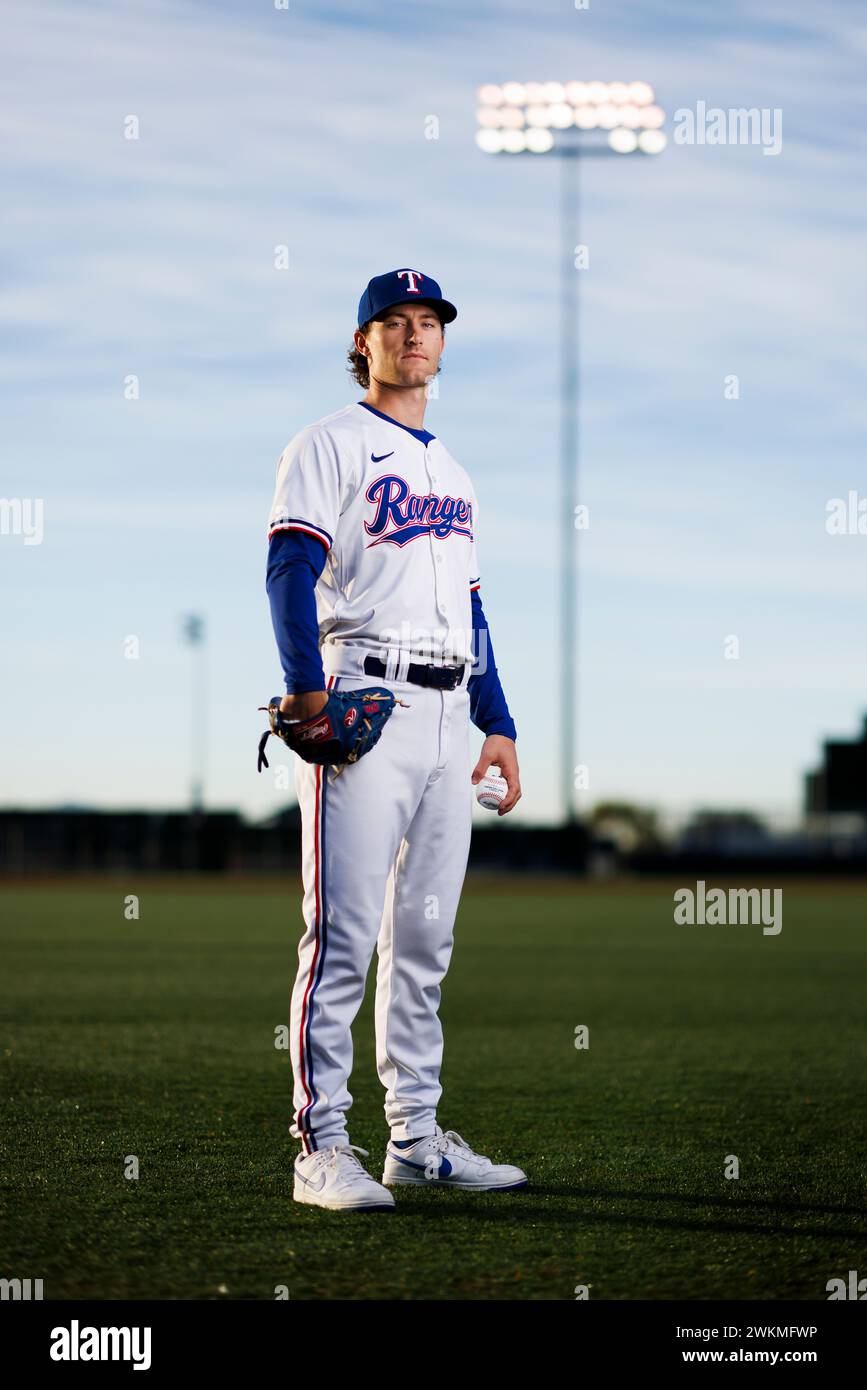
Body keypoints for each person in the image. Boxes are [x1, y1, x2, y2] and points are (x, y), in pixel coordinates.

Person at [265, 268, 528, 1211]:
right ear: (362, 341)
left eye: (429, 323)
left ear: (443, 344)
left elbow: (470, 603)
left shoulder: (452, 471)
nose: (415, 335)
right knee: (341, 938)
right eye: (395, 322)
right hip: (364, 700)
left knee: (423, 938)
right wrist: (303, 690)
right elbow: (289, 566)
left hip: (451, 715)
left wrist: (498, 723)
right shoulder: (327, 444)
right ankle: (320, 1145)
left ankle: (414, 1138)